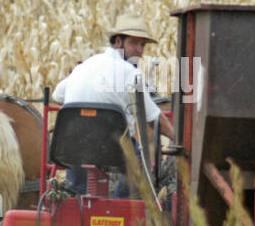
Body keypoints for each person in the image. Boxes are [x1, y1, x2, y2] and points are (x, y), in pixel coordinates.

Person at [52, 13, 175, 196]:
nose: (140, 50)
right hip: (113, 150)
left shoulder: (85, 66)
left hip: (71, 147)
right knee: (141, 162)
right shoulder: (130, 74)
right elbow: (154, 119)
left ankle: (75, 198)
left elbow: (57, 96)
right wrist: (179, 139)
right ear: (118, 42)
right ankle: (122, 204)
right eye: (134, 43)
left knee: (76, 146)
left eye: (143, 45)